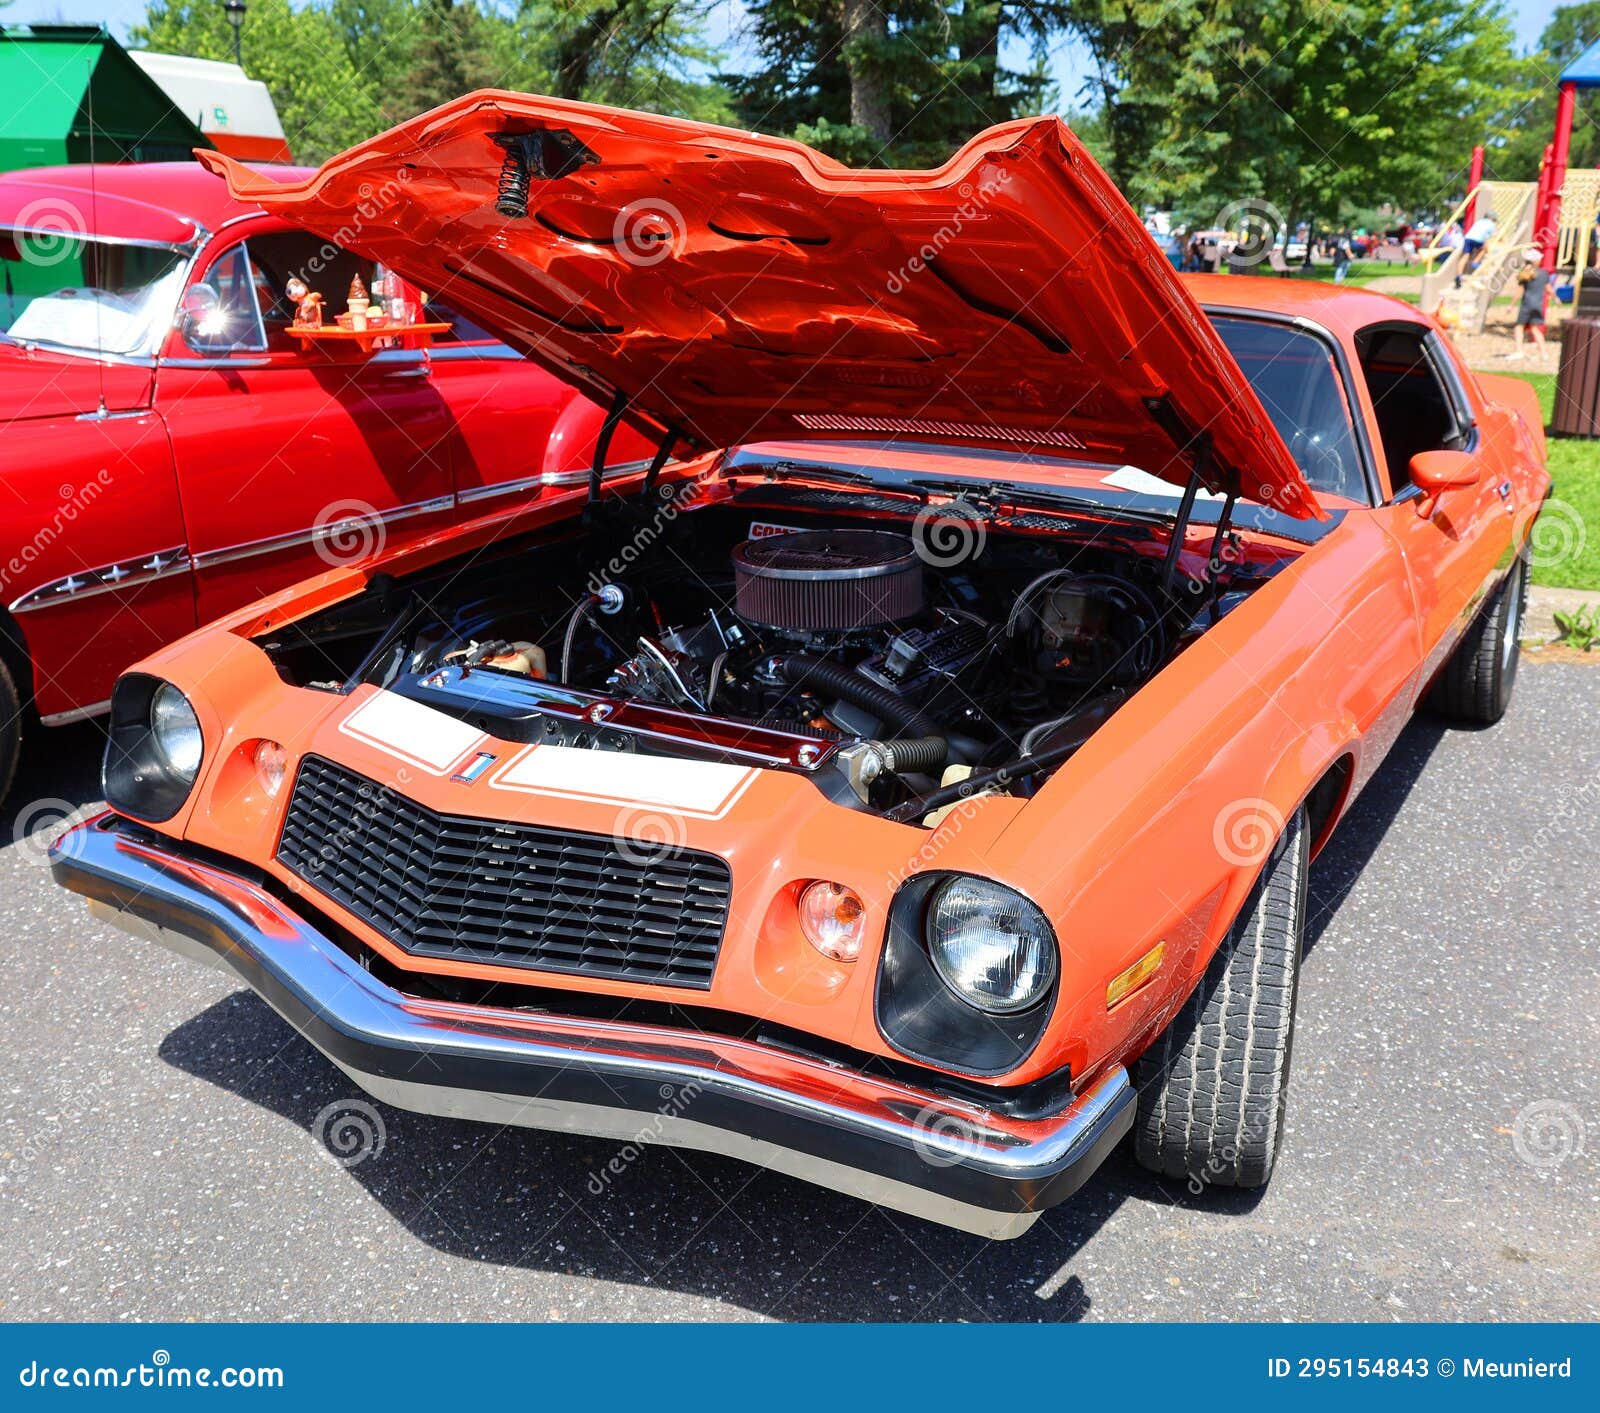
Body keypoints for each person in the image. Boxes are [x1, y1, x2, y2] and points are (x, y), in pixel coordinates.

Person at [1511, 246, 1549, 360]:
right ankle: (1543, 353)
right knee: (1535, 328)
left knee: (1519, 327)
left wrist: (1511, 305)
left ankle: (1519, 350)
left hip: (1527, 304)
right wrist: (1556, 297)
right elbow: (1549, 288)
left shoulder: (1525, 274)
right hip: (1538, 304)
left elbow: (1520, 291)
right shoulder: (1544, 273)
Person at [1456, 212, 1496, 285]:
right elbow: (1487, 238)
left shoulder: (1479, 222)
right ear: (1492, 219)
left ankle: (1459, 276)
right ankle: (1476, 261)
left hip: (1468, 238)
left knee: (1465, 257)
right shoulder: (1491, 224)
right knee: (1484, 249)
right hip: (1478, 240)